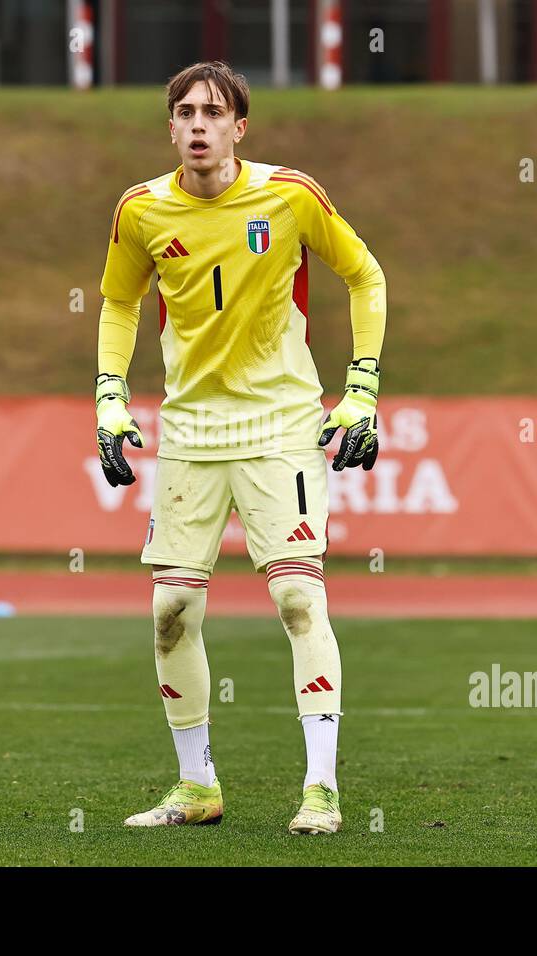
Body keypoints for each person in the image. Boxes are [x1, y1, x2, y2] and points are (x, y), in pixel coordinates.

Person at [94, 60, 387, 835]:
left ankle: (320, 789)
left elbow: (366, 274)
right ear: (171, 125)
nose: (197, 124)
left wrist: (361, 387)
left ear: (238, 127)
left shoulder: (290, 196)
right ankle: (197, 788)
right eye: (184, 111)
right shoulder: (142, 210)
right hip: (190, 431)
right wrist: (111, 395)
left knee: (296, 596)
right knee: (171, 610)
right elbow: (120, 300)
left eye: (212, 112)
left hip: (280, 424)